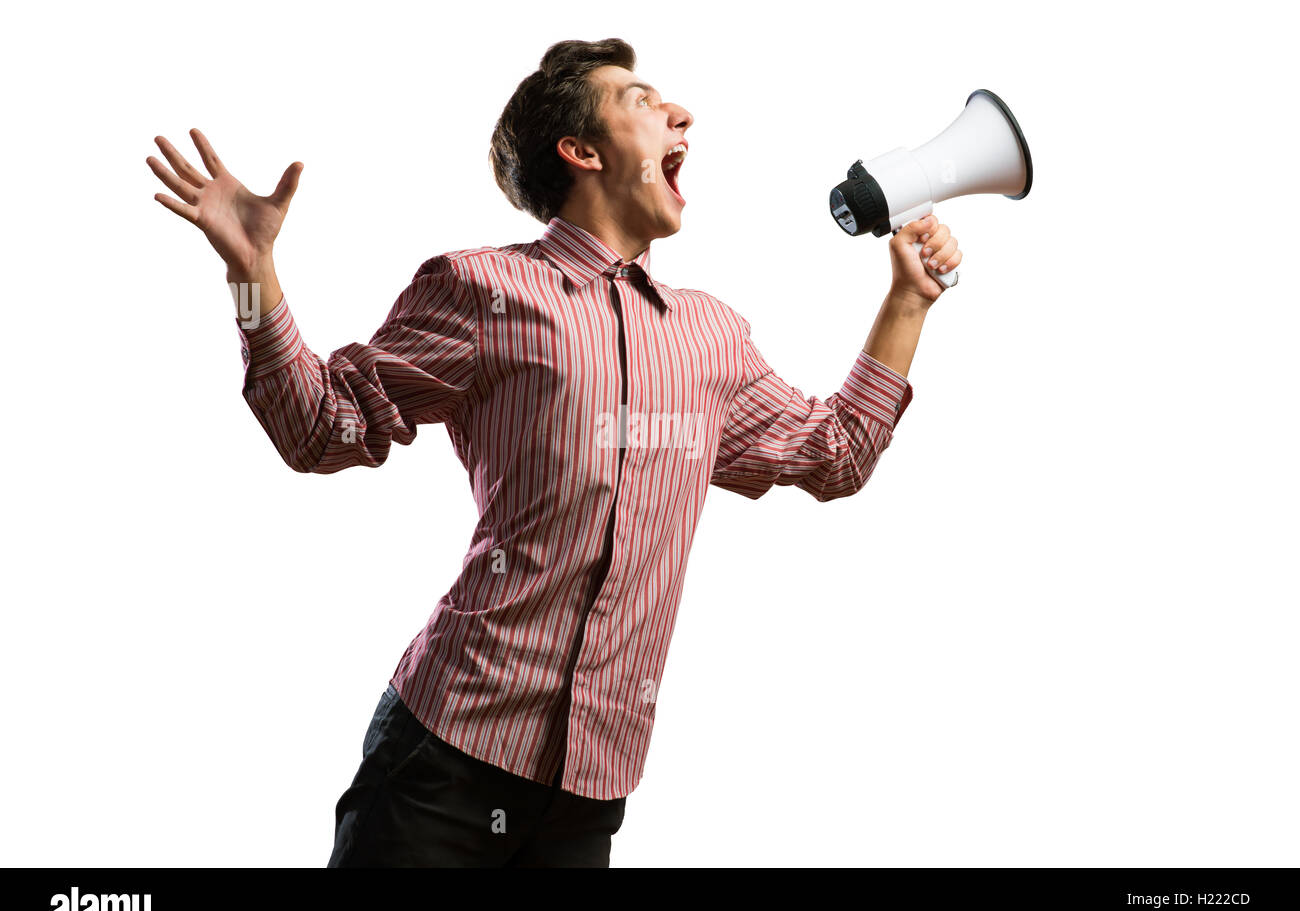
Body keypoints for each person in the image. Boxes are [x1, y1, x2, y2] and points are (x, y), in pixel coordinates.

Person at [147, 37, 962, 867]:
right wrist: (250, 270)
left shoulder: (712, 339)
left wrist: (908, 300)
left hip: (588, 796)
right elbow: (317, 426)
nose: (681, 114)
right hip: (440, 766)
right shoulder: (483, 290)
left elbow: (837, 455)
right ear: (581, 151)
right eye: (642, 101)